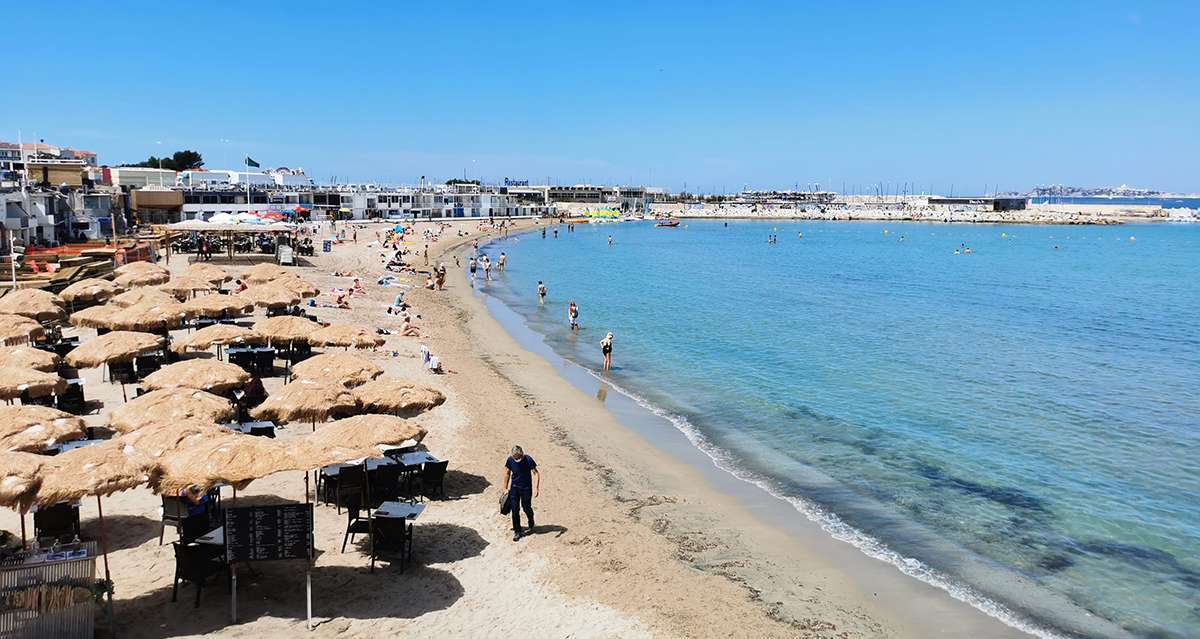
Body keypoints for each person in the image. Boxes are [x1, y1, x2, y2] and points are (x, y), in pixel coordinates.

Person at [503, 445, 540, 541]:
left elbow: (536, 473)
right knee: (515, 510)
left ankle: (531, 520)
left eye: (518, 457)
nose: (516, 459)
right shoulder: (510, 460)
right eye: (515, 457)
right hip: (514, 488)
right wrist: (505, 488)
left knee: (526, 507)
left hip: (526, 488)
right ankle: (517, 531)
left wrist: (536, 488)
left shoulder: (528, 459)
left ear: (522, 454)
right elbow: (507, 472)